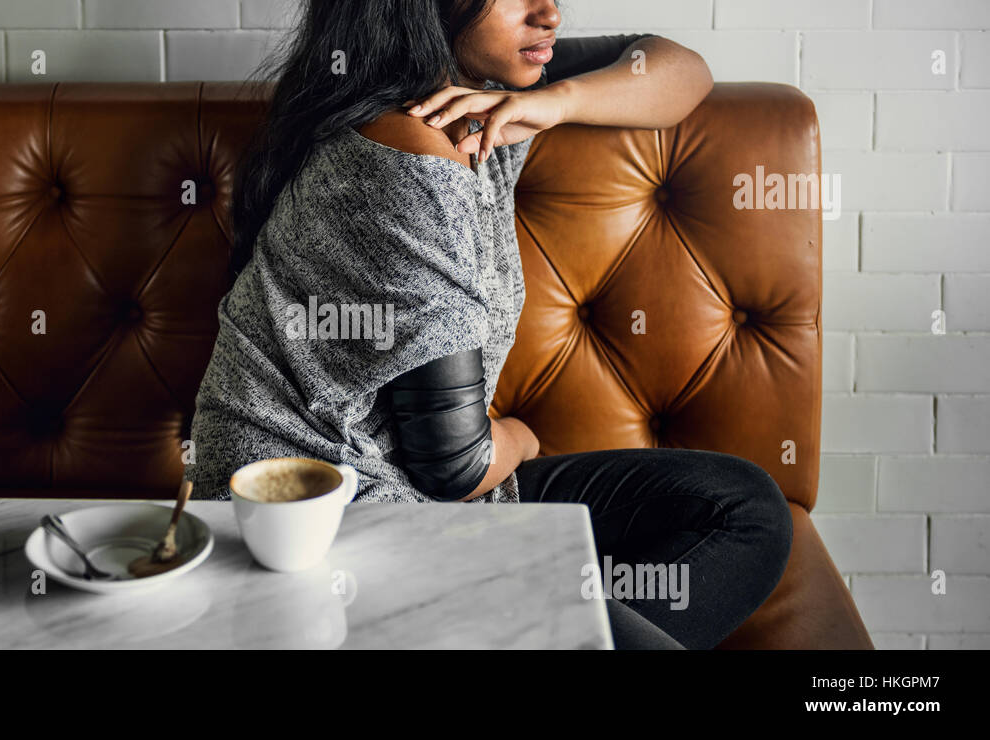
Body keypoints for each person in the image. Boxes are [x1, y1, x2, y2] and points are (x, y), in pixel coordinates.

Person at [189, 0, 792, 649]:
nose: (550, 13)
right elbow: (454, 464)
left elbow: (681, 71)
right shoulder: (407, 149)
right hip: (319, 522)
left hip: (425, 498)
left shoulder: (489, 87)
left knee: (743, 510)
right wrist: (526, 437)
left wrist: (556, 103)